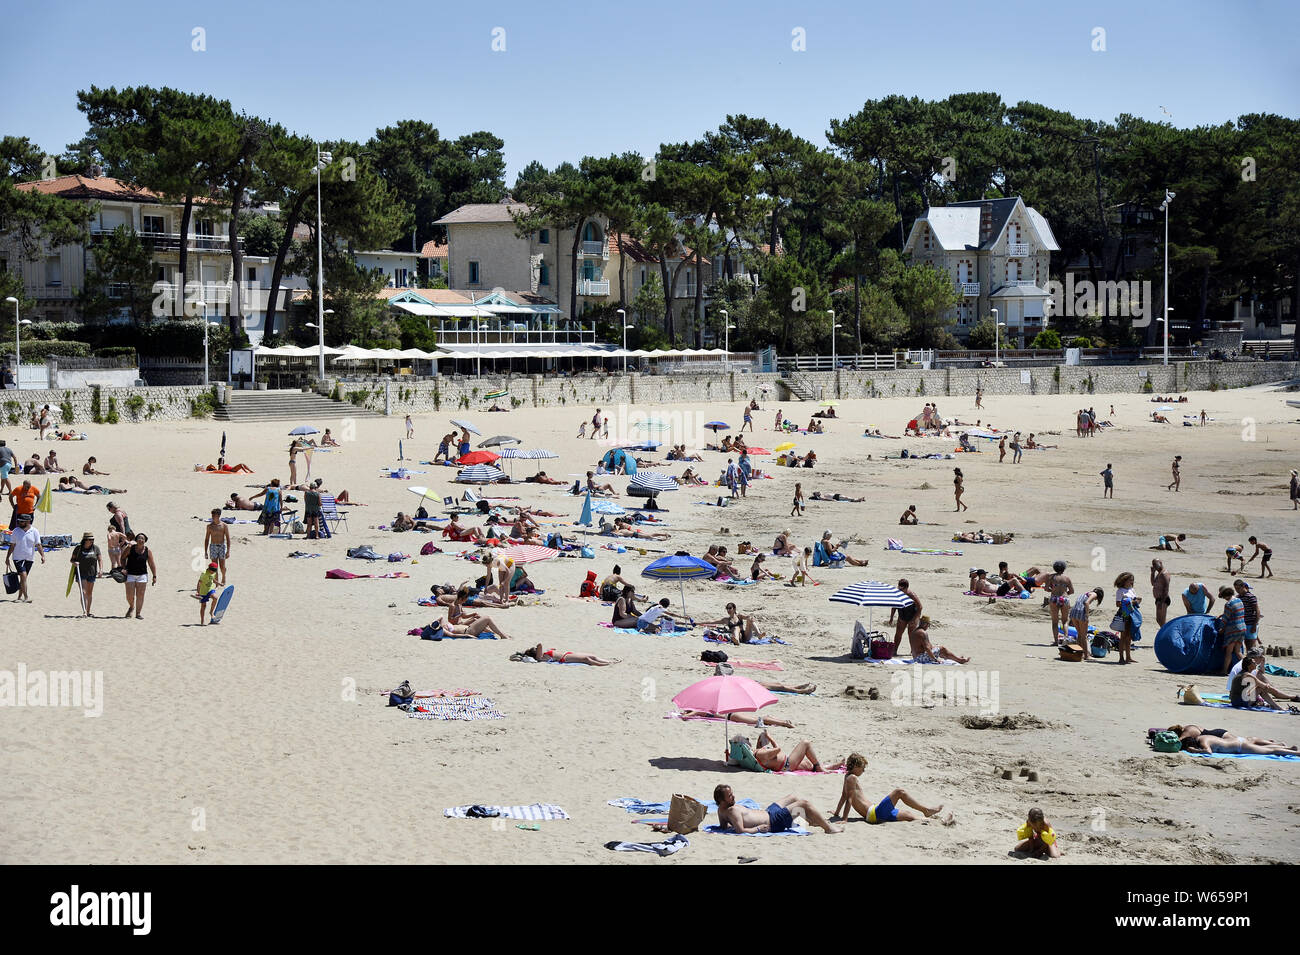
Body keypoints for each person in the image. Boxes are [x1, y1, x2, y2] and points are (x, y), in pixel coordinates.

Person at [831, 756, 949, 825]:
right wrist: (845, 819)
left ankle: (939, 823)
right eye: (862, 768)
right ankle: (926, 810)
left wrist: (837, 813)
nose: (863, 771)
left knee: (909, 816)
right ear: (856, 767)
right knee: (899, 792)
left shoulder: (847, 777)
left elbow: (843, 796)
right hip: (874, 813)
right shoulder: (852, 778)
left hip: (876, 813)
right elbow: (849, 799)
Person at [714, 783, 842, 835]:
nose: (734, 796)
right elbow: (740, 831)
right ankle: (828, 828)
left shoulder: (721, 809)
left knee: (792, 797)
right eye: (730, 796)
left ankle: (811, 820)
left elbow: (724, 826)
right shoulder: (732, 811)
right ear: (721, 800)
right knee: (804, 803)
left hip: (769, 812)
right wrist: (757, 829)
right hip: (773, 822)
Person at [1170, 722, 1300, 755]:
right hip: (1237, 743)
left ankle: (1295, 753)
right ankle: (1286, 747)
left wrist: (1195, 751)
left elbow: (1208, 752)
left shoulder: (1203, 741)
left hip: (1239, 746)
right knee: (1257, 745)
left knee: (1270, 752)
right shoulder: (1203, 737)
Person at [753, 728, 844, 774]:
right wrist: (770, 738)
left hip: (786, 764)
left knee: (808, 765)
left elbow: (776, 752)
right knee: (805, 743)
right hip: (787, 765)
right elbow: (778, 749)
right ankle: (819, 767)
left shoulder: (759, 752)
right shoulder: (761, 753)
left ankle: (832, 766)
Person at [4, 512, 44, 602]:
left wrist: (42, 555)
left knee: (23, 578)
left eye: (21, 522)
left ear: (27, 522)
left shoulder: (34, 531)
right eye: (19, 521)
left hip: (30, 558)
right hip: (18, 558)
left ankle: (19, 597)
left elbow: (38, 544)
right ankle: (26, 597)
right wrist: (7, 558)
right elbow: (12, 545)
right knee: (23, 575)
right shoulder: (15, 531)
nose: (19, 523)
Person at [122, 532, 157, 619]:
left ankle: (138, 613)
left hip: (142, 575)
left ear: (145, 541)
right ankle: (131, 606)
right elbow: (122, 557)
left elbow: (151, 564)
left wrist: (154, 576)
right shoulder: (130, 548)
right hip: (130, 574)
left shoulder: (148, 551)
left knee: (140, 595)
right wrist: (123, 568)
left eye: (143, 539)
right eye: (139, 538)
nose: (141, 540)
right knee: (129, 595)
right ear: (136, 540)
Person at [70, 531, 103, 617]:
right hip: (81, 572)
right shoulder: (78, 548)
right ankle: (84, 611)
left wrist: (101, 569)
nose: (91, 541)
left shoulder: (95, 548)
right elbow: (72, 559)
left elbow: (100, 559)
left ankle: (88, 611)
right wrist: (74, 563)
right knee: (83, 592)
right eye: (89, 539)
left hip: (92, 573)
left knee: (89, 593)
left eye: (92, 539)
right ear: (85, 540)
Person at [1112, 572, 1140, 665]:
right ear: (1124, 581)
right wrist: (1130, 602)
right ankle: (1121, 657)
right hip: (1124, 614)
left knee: (1129, 637)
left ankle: (1128, 657)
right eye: (1130, 580)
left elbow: (1135, 600)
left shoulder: (1132, 589)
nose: (1131, 582)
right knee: (1123, 637)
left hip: (1132, 614)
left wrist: (1136, 601)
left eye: (1132, 580)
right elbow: (1118, 604)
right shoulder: (1120, 591)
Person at [888, 579, 922, 654]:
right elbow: (894, 606)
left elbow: (920, 607)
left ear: (906, 588)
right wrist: (891, 618)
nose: (900, 590)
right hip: (902, 615)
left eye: (901, 589)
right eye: (899, 588)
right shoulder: (897, 594)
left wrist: (915, 619)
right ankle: (895, 650)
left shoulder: (911, 595)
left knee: (911, 635)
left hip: (912, 615)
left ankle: (913, 651)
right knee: (898, 634)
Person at [1219, 585, 1247, 675]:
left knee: (1229, 652)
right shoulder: (1239, 601)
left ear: (1226, 596)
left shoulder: (1228, 604)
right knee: (1238, 652)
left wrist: (1221, 628)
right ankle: (1250, 667)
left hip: (1233, 630)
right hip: (1242, 627)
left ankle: (1224, 671)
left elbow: (1225, 619)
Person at [1044, 561, 1074, 645]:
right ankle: (1065, 639)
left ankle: (1056, 641)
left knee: (1055, 621)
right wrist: (1065, 594)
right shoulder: (1067, 578)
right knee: (1065, 621)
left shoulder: (1051, 577)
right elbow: (1072, 591)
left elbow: (1046, 588)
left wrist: (1052, 590)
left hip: (1054, 598)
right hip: (1064, 599)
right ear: (1064, 568)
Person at [522, 643, 619, 666]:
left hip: (567, 654)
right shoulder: (540, 658)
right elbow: (540, 644)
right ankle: (606, 664)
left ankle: (609, 661)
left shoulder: (544, 655)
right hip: (565, 658)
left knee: (592, 656)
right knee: (586, 659)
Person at [204, 509, 231, 585]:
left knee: (222, 566)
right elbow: (206, 539)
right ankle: (217, 582)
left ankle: (223, 577)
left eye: (214, 515)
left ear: (218, 516)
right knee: (214, 566)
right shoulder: (209, 526)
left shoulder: (224, 526)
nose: (212, 517)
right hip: (213, 546)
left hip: (222, 546)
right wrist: (205, 551)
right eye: (212, 515)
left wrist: (228, 551)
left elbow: (228, 539)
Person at [194, 560, 220, 625]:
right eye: (212, 571)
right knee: (203, 606)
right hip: (203, 591)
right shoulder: (204, 573)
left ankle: (211, 612)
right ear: (209, 569)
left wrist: (218, 583)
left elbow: (212, 579)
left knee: (215, 598)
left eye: (214, 571)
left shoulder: (213, 572)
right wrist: (198, 591)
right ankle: (202, 620)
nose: (213, 572)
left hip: (210, 589)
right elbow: (199, 582)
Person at [1150, 559, 1171, 627]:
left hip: (1163, 600)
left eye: (1155, 564)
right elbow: (1153, 583)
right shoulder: (1159, 573)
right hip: (1158, 599)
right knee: (1159, 620)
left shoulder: (1164, 574)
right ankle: (1164, 633)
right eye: (1153, 564)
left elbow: (1166, 588)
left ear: (1161, 563)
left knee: (1162, 620)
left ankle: (1166, 634)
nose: (1154, 566)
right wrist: (1152, 573)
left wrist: (1161, 602)